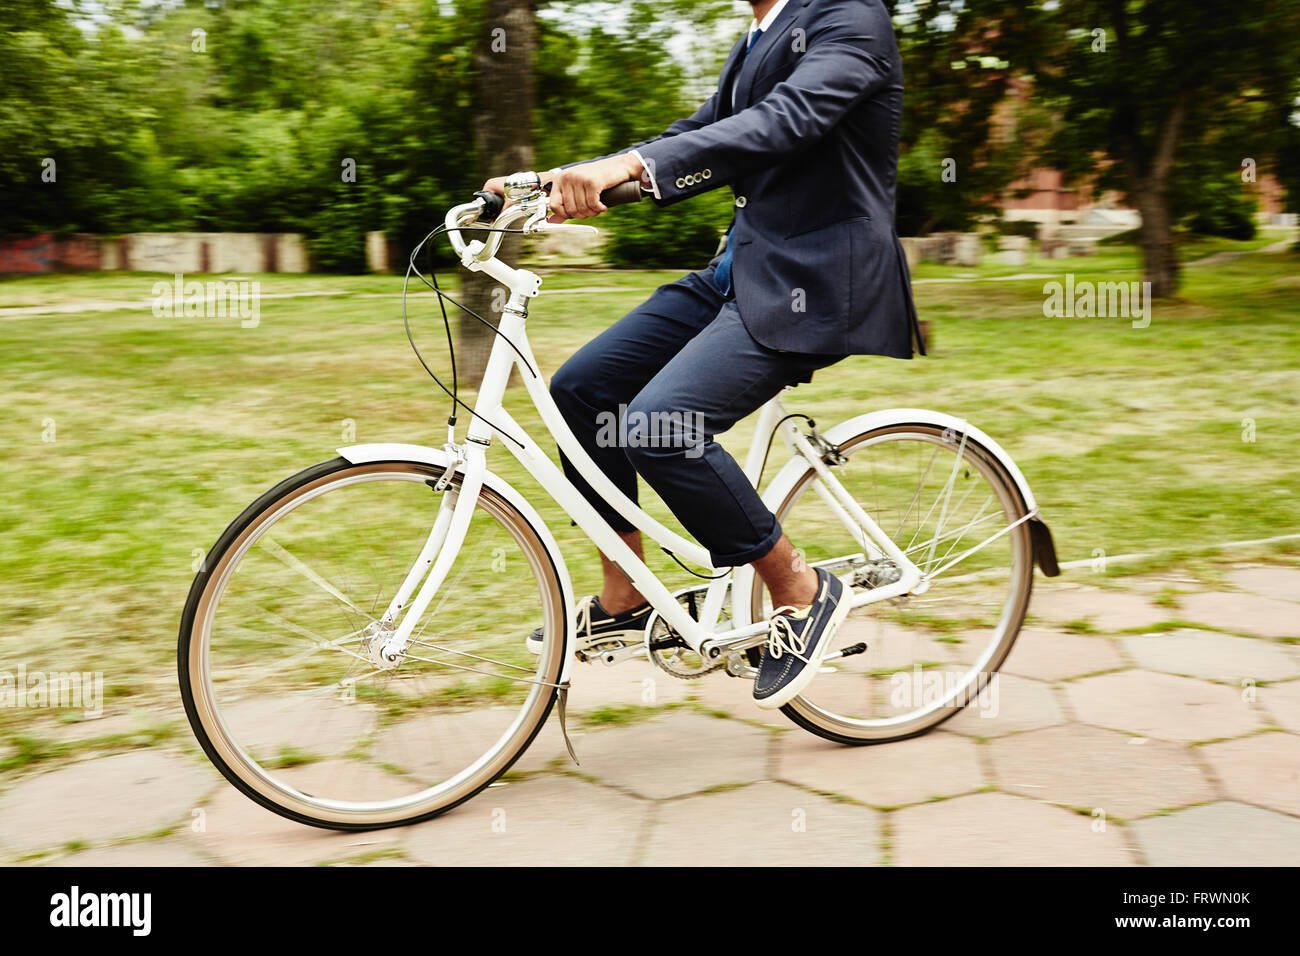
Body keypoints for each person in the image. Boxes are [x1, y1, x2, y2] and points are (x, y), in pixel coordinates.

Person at [483, 0, 924, 710]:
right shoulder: (760, 33)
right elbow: (705, 137)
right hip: (745, 266)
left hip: (818, 278)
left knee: (661, 426)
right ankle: (624, 591)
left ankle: (799, 591)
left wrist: (624, 164)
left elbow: (785, 121)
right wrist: (563, 182)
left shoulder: (851, 14)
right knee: (582, 392)